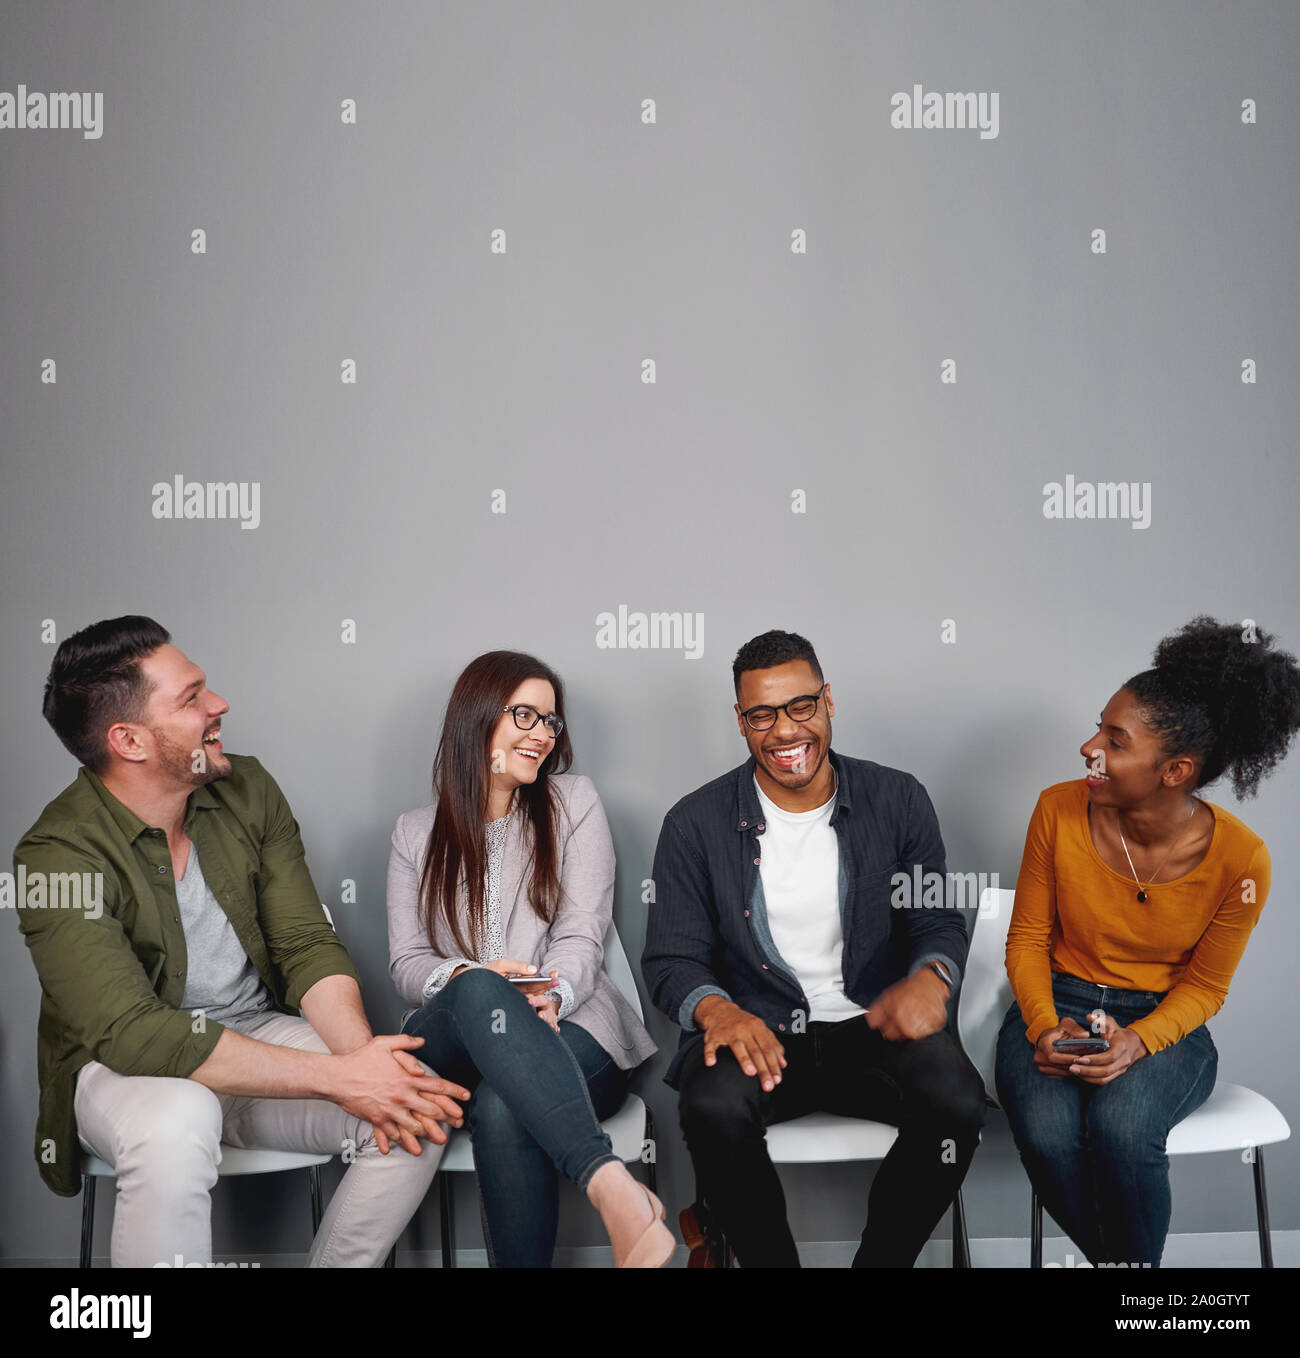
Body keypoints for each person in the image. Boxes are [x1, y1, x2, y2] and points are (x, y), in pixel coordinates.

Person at [16, 616, 466, 1268]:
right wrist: (337, 1077)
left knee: (414, 1099)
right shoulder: (55, 854)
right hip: (123, 1069)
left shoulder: (247, 789)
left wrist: (366, 1071)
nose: (219, 704)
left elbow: (306, 943)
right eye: (192, 697)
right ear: (129, 740)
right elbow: (135, 1033)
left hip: (254, 1036)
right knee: (177, 1122)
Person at [641, 629, 986, 1267]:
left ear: (828, 701)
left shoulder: (899, 799)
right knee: (711, 1105)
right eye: (761, 715)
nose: (783, 732)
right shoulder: (694, 823)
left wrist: (932, 978)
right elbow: (671, 959)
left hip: (873, 1026)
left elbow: (938, 920)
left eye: (800, 706)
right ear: (741, 723)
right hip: (759, 1028)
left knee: (959, 1101)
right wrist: (718, 1011)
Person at [996, 616, 1300, 1268]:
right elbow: (1026, 940)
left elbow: (1206, 988)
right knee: (1048, 1135)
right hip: (1059, 998)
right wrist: (1044, 1026)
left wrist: (1139, 1040)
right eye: (1098, 726)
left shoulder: (1242, 860)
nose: (1088, 747)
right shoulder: (1057, 809)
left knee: (1123, 1127)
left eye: (1114, 739)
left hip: (1163, 1021)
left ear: (1174, 770)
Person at [388, 650, 669, 1267]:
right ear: (477, 718)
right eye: (525, 716)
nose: (543, 734)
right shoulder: (415, 834)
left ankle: (609, 1190)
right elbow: (408, 965)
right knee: (476, 988)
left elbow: (580, 933)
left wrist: (552, 998)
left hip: (572, 1027)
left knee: (502, 1104)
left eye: (551, 721)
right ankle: (611, 1183)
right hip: (456, 1046)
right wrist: (475, 980)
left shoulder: (574, 803)